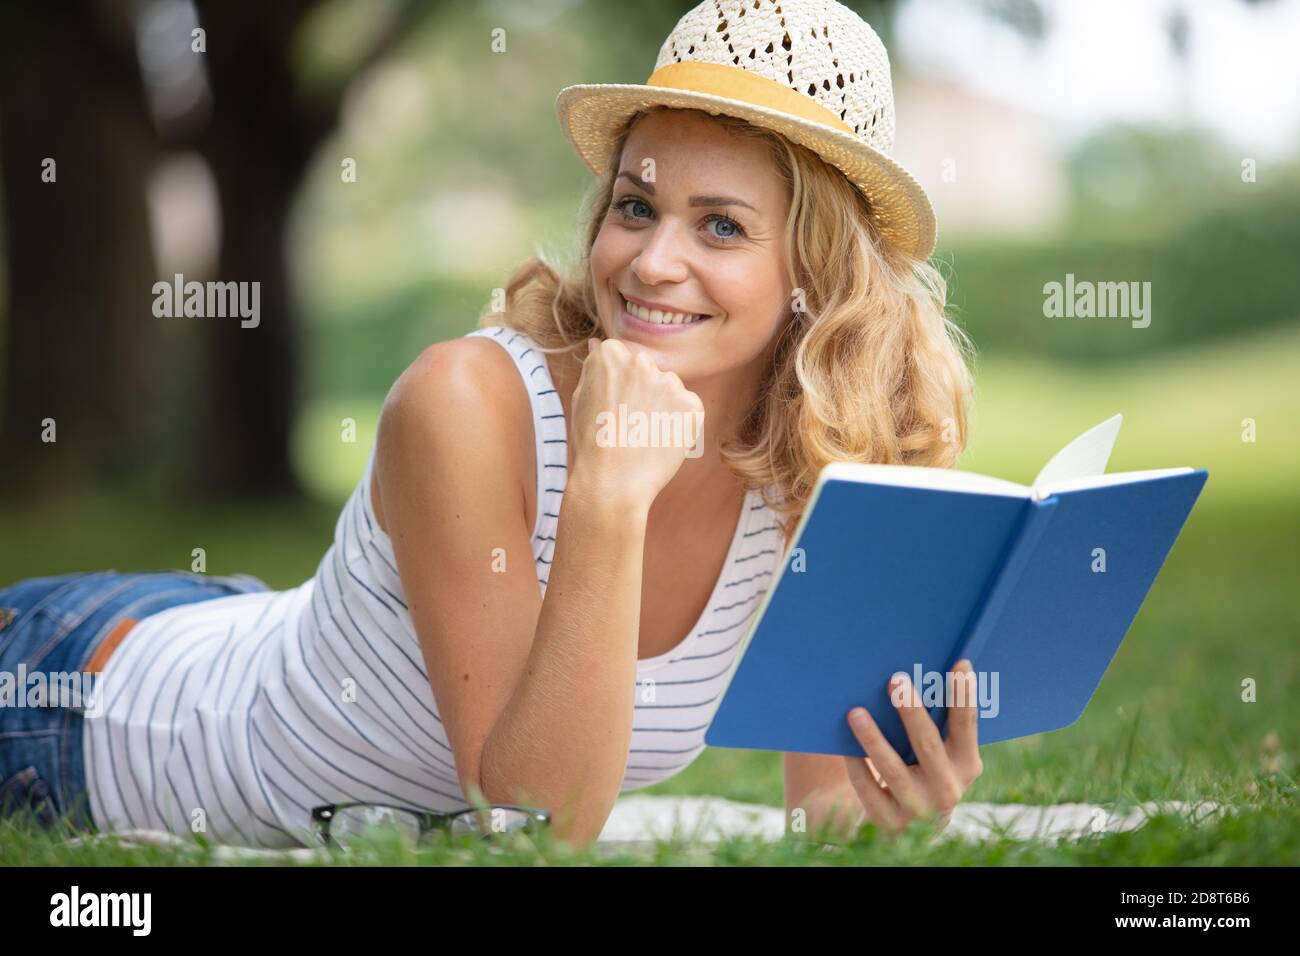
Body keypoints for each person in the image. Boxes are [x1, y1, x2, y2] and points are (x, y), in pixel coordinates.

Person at [0, 0, 981, 850]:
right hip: (72, 702)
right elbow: (535, 823)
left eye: (719, 225)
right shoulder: (464, 403)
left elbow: (823, 820)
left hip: (235, 629)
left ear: (815, 272)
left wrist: (896, 809)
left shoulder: (828, 464)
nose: (647, 262)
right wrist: (605, 497)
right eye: (636, 207)